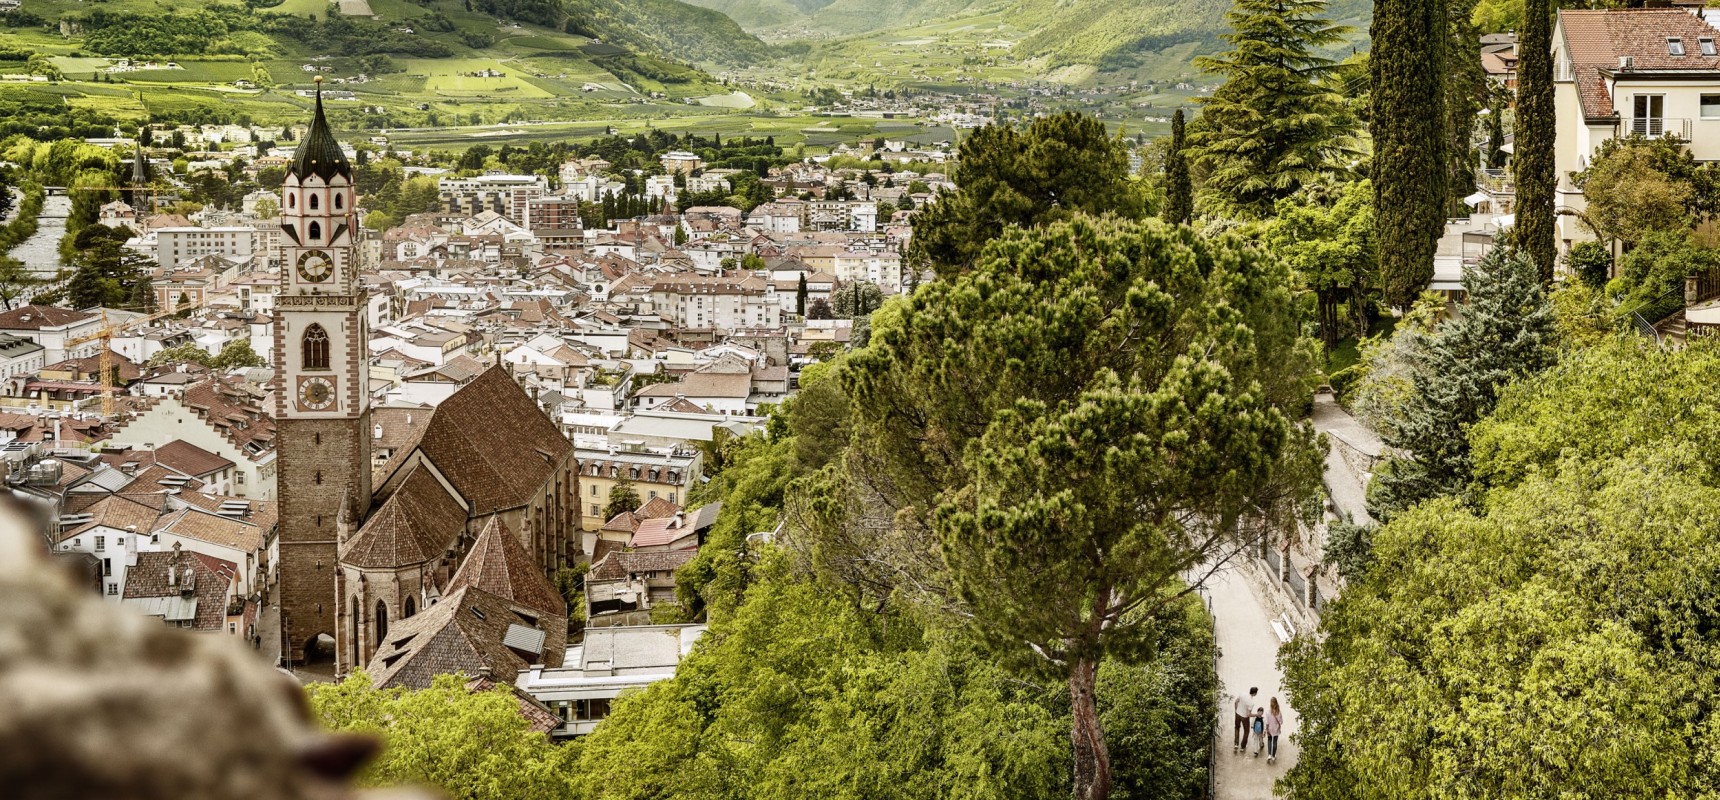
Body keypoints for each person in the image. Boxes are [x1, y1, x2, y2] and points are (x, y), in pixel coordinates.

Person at [1233, 687, 1257, 752]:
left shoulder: (1242, 694)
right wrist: (1257, 715)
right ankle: (1242, 746)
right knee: (1246, 731)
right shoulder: (1251, 702)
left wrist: (1236, 710)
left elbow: (1235, 702)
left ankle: (1236, 744)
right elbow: (1249, 714)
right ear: (1254, 693)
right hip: (1245, 717)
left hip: (1237, 714)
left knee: (1237, 728)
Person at [1265, 697, 1284, 764]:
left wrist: (1266, 729)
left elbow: (1266, 722)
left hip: (1269, 728)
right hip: (1276, 729)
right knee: (1275, 742)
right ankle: (1273, 756)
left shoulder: (1267, 711)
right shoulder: (1278, 712)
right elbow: (1281, 722)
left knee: (1269, 740)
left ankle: (1269, 755)